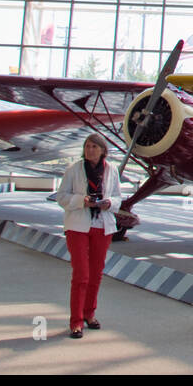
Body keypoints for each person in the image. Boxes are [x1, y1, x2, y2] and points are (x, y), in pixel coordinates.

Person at [54, 134, 122, 338]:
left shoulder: (112, 170)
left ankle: (89, 313)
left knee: (96, 273)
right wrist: (81, 200)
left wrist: (109, 203)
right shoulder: (73, 169)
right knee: (81, 274)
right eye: (87, 146)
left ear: (102, 150)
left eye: (94, 146)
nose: (90, 150)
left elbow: (118, 197)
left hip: (102, 225)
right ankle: (76, 321)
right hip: (77, 226)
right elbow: (61, 197)